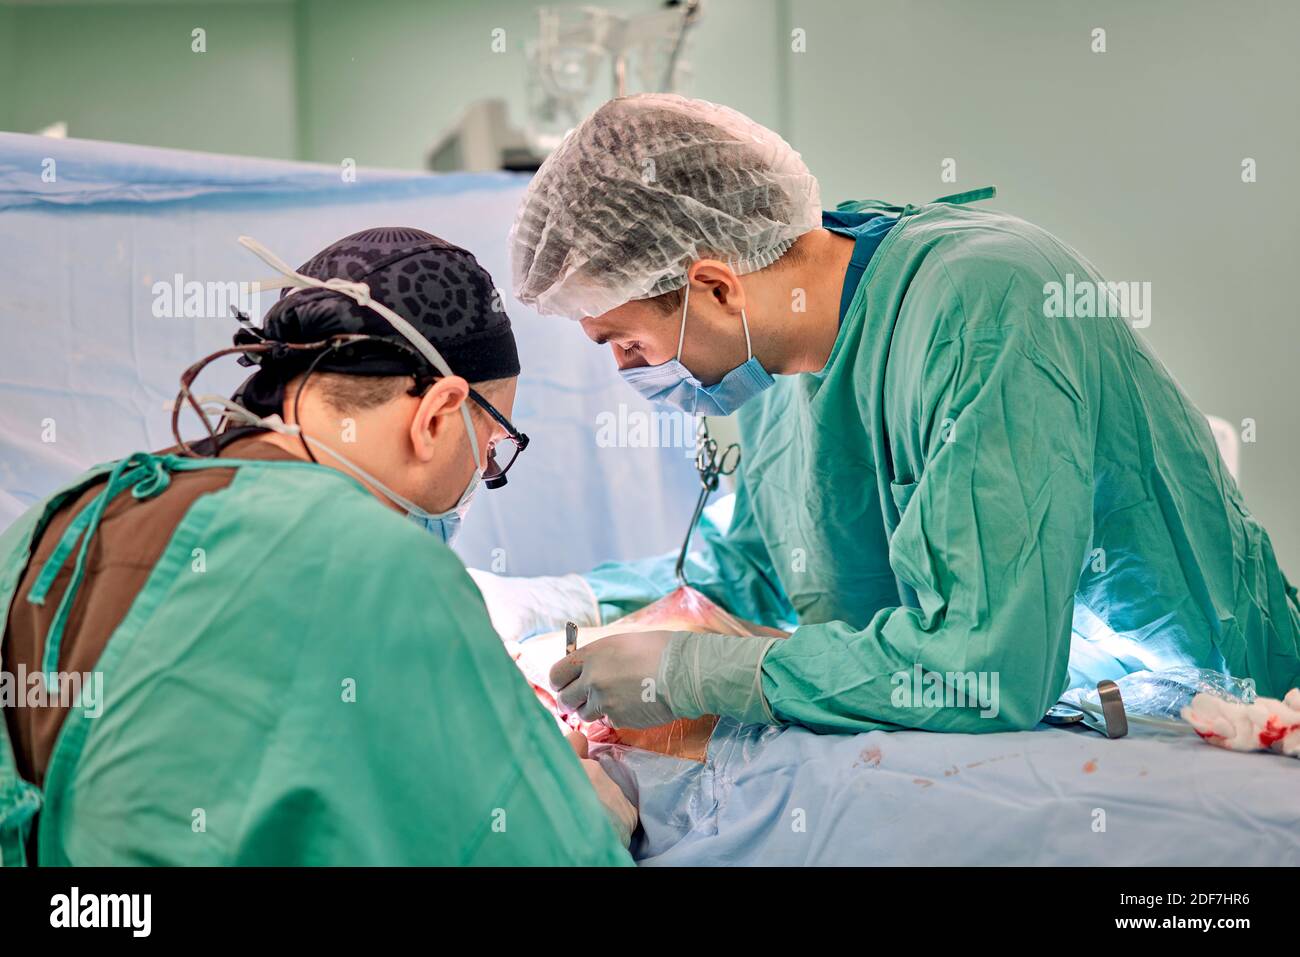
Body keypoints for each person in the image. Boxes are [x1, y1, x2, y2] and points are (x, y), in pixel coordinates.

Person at [473, 93, 1300, 735]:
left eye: (624, 343)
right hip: (1018, 735)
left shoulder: (985, 305)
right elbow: (753, 572)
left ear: (716, 287)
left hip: (1206, 721)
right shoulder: (776, 378)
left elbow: (983, 664)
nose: (626, 373)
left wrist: (698, 674)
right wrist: (560, 601)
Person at [0, 227, 635, 866]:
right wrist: (574, 808)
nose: (484, 474)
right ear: (438, 413)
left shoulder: (71, 512)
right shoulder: (377, 562)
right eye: (492, 448)